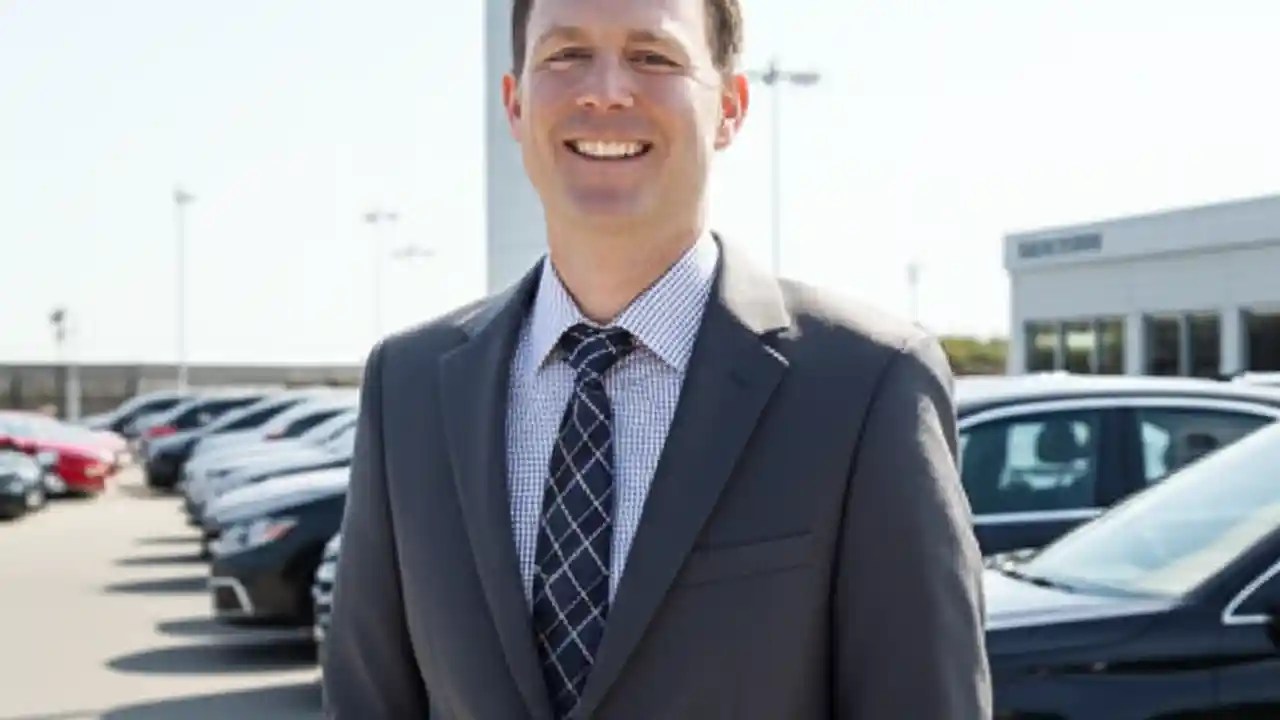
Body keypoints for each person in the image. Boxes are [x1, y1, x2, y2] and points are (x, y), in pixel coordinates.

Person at [321, 0, 992, 716]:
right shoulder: (409, 390)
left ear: (730, 106)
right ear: (515, 104)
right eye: (565, 55)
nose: (606, 90)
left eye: (654, 57)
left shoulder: (866, 388)